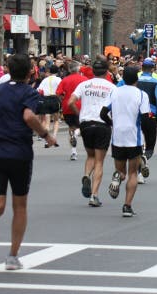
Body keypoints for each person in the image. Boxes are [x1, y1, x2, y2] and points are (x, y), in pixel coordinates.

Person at [0, 53, 57, 270]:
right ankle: (12, 257)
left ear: (7, 70)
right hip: (19, 153)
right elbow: (28, 116)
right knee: (20, 205)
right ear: (30, 72)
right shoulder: (29, 92)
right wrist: (46, 135)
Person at [100, 66, 150, 217]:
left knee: (121, 171)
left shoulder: (114, 92)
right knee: (133, 173)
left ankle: (117, 177)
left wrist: (111, 123)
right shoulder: (141, 95)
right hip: (133, 137)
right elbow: (146, 117)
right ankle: (127, 206)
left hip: (118, 137)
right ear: (136, 79)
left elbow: (103, 113)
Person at [67, 59, 115, 207]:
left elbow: (70, 102)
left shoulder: (84, 84)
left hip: (86, 123)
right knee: (99, 161)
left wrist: (79, 114)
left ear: (93, 71)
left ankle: (86, 175)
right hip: (102, 124)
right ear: (107, 71)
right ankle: (94, 195)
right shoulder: (112, 87)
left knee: (90, 156)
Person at [133, 58, 157, 183]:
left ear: (142, 68)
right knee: (150, 144)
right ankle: (145, 157)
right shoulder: (156, 82)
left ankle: (139, 173)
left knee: (138, 142)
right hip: (151, 114)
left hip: (136, 113)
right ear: (152, 69)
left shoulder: (135, 81)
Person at [56, 61, 87, 161]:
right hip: (81, 106)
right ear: (78, 69)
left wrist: (63, 100)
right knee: (81, 126)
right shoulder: (84, 79)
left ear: (69, 69)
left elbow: (58, 93)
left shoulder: (64, 80)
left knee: (71, 127)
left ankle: (74, 152)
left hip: (67, 106)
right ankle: (77, 133)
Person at [36, 65, 62, 146]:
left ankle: (47, 140)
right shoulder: (58, 79)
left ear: (50, 71)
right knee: (56, 120)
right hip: (55, 99)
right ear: (57, 72)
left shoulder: (45, 80)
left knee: (47, 122)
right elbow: (61, 89)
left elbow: (39, 90)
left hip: (46, 100)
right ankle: (54, 137)